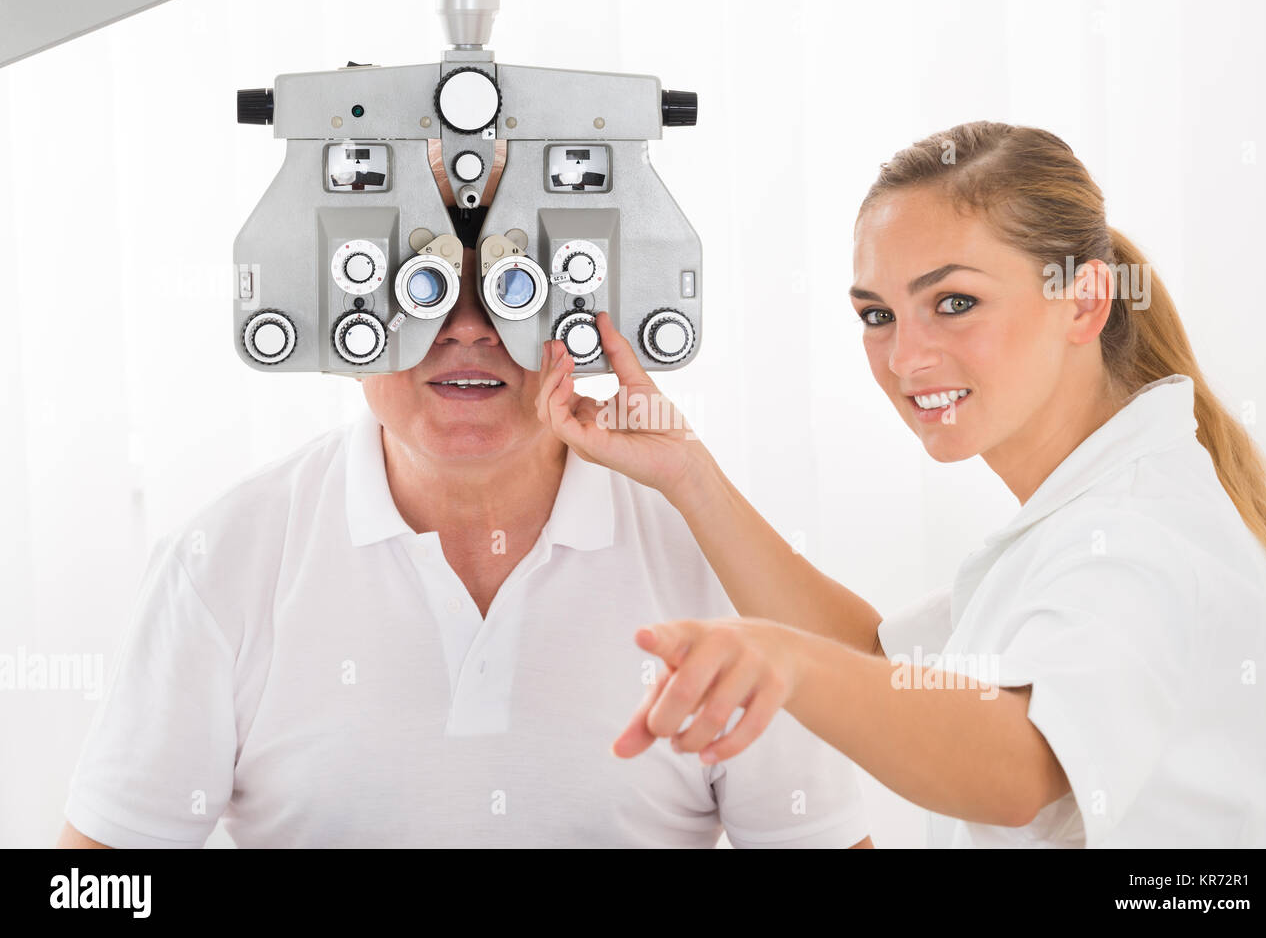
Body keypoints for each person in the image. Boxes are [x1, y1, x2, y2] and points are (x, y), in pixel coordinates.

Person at [536, 120, 1266, 847]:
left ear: (1085, 300)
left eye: (954, 303)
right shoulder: (1088, 515)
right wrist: (688, 473)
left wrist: (789, 664)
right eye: (878, 315)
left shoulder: (1137, 534)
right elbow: (877, 660)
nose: (905, 358)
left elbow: (1020, 766)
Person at [55, 246, 874, 849]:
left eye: (516, 283)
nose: (470, 327)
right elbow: (99, 874)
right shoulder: (225, 559)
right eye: (420, 282)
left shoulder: (719, 562)